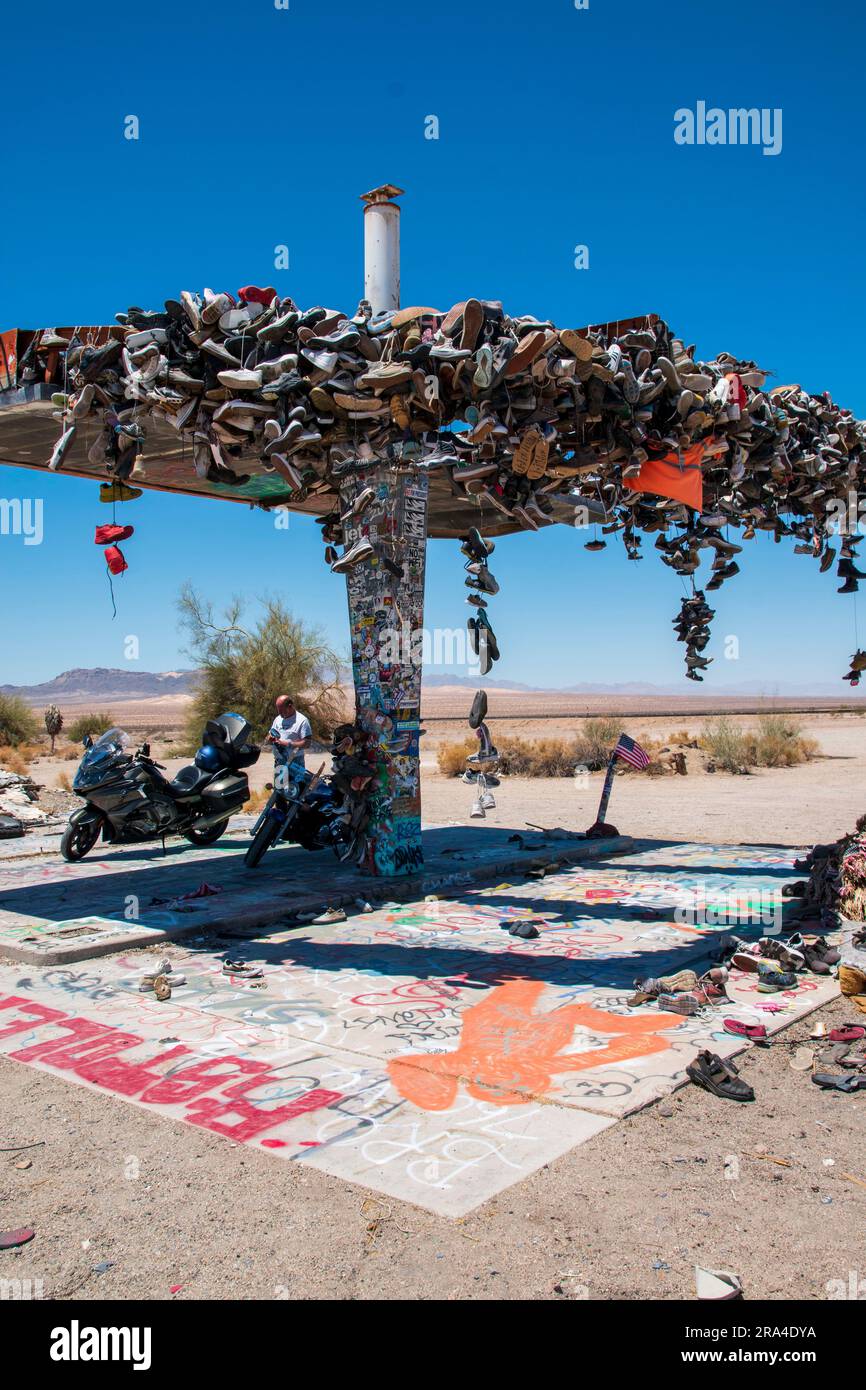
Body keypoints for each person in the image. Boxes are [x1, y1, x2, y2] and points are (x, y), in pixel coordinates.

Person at [267, 695, 312, 788]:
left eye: (282, 710)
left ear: (290, 706)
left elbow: (307, 743)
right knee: (280, 792)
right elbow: (270, 734)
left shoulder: (302, 721)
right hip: (280, 762)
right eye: (278, 709)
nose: (279, 713)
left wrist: (287, 744)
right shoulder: (278, 719)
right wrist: (270, 738)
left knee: (296, 792)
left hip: (296, 763)